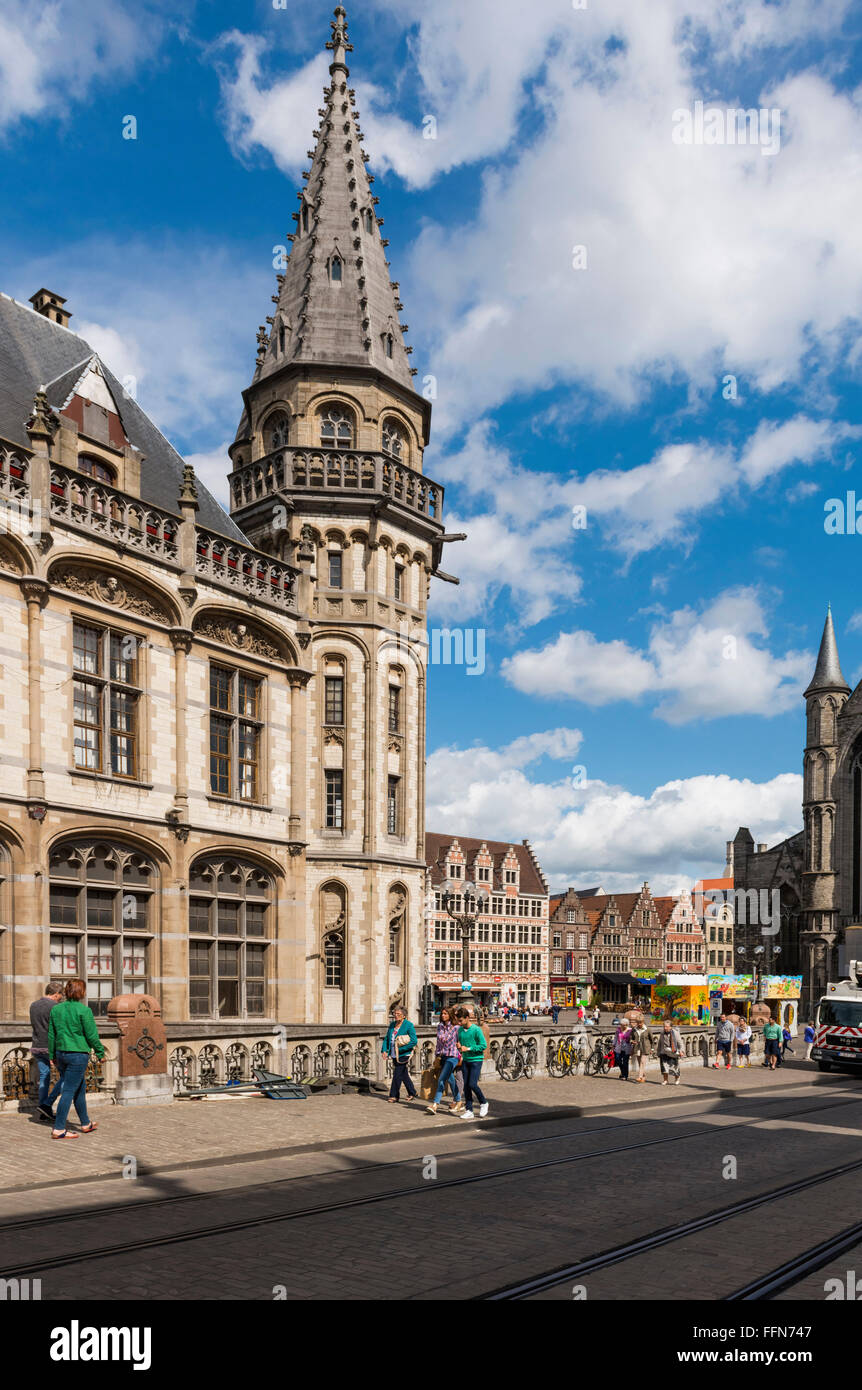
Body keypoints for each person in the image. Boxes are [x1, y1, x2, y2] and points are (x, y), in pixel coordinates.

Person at [47, 979, 105, 1139]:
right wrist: (100, 1053)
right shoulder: (84, 1011)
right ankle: (58, 1129)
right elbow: (92, 1035)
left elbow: (51, 1034)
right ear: (82, 992)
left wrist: (51, 1055)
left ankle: (85, 1123)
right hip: (78, 1054)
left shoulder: (56, 1009)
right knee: (68, 1091)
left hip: (61, 1053)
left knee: (79, 1087)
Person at [30, 981, 64, 1123]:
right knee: (67, 1076)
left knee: (44, 1077)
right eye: (60, 996)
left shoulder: (33, 1005)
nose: (61, 998)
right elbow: (57, 1030)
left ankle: (44, 1111)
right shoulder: (55, 1007)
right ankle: (47, 1104)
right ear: (56, 994)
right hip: (51, 1047)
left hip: (37, 1045)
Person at [426, 1006, 462, 1115]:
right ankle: (459, 1101)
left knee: (441, 1079)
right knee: (450, 1079)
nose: (443, 1015)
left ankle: (435, 1104)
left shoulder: (457, 1027)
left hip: (453, 1056)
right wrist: (437, 1055)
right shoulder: (440, 1026)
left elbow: (461, 1041)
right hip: (443, 1056)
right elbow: (439, 1042)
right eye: (442, 1013)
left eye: (445, 1013)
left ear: (450, 1015)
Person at [455, 1005, 489, 1119]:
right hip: (466, 1060)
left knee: (472, 1084)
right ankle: (469, 1110)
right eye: (458, 1021)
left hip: (476, 1060)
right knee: (466, 1087)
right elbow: (462, 1046)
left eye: (460, 1020)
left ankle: (483, 1102)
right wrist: (459, 1047)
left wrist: (468, 1048)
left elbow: (483, 1045)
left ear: (467, 1018)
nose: (459, 1023)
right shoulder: (460, 1030)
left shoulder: (476, 1029)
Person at [382, 1004, 418, 1103]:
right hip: (394, 1053)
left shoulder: (408, 1025)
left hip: (404, 1054)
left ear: (404, 1016)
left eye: (398, 1014)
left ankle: (394, 1095)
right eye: (395, 1013)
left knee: (397, 1074)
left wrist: (401, 1049)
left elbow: (414, 1041)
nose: (396, 1015)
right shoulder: (392, 1025)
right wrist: (384, 1050)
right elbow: (387, 1038)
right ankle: (412, 1092)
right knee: (403, 1074)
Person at [657, 1019, 683, 1086]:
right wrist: (658, 1052)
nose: (665, 1028)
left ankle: (677, 1078)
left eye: (667, 1026)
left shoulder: (675, 1033)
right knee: (664, 1067)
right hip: (664, 1052)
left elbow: (680, 1043)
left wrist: (681, 1051)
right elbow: (660, 1043)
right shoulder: (662, 1033)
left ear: (671, 1027)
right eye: (664, 1026)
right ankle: (665, 1080)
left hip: (673, 1052)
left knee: (675, 1067)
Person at [629, 1018, 653, 1082]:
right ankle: (643, 1076)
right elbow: (630, 1038)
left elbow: (652, 1040)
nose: (639, 1024)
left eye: (641, 1022)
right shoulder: (634, 1029)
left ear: (643, 1022)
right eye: (638, 1022)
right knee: (640, 1063)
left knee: (642, 1062)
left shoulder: (647, 1029)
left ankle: (639, 1077)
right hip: (637, 1048)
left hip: (645, 1048)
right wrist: (632, 1041)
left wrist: (652, 1049)